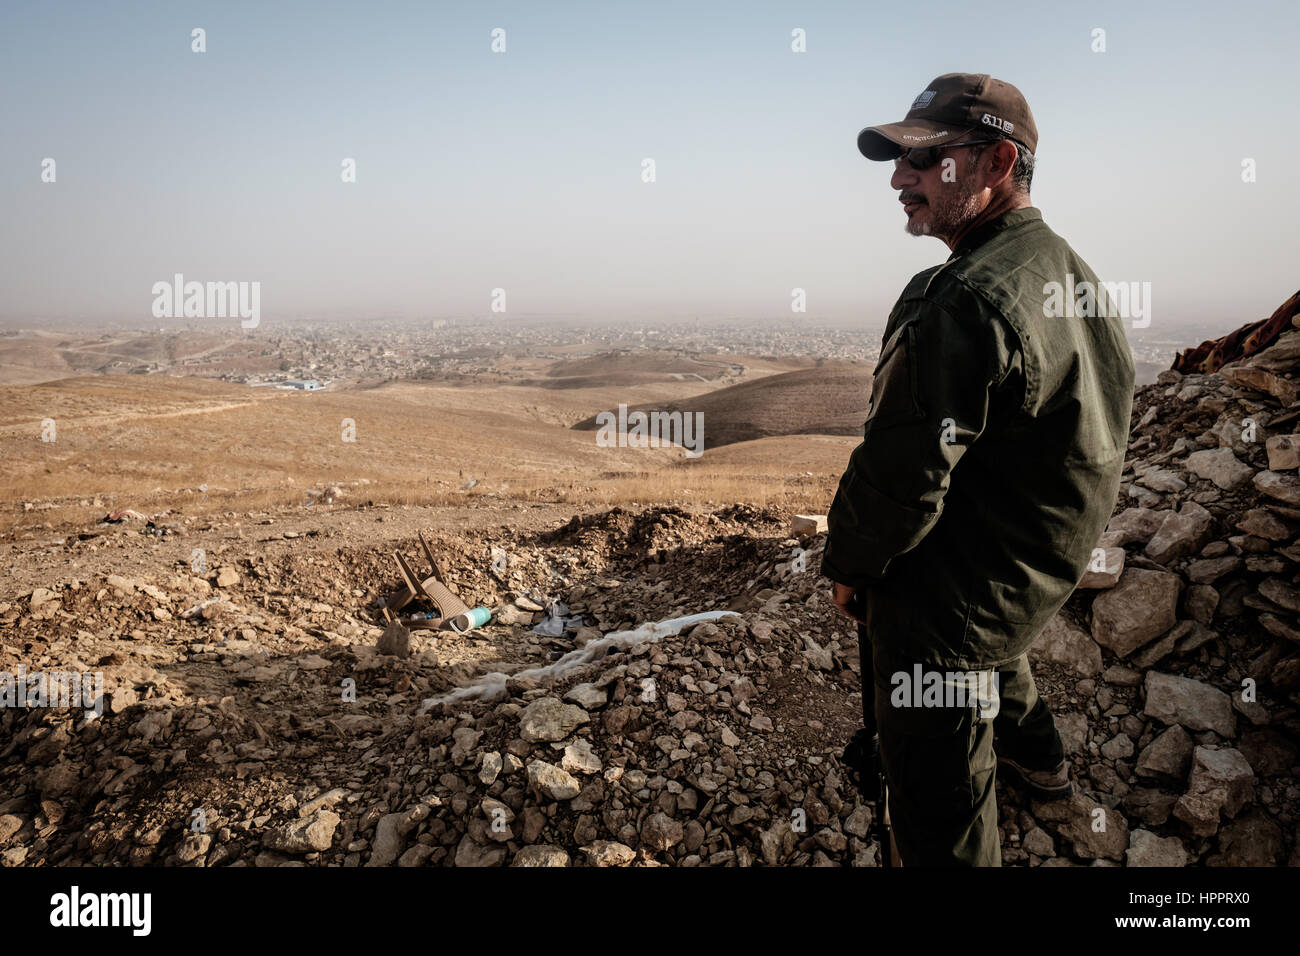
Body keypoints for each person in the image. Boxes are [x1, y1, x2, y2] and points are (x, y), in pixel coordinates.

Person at [821, 73, 1135, 866]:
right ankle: (1044, 766)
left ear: (996, 162)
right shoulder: (1069, 270)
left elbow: (902, 474)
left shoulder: (959, 299)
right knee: (998, 647)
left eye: (924, 159)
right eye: (899, 161)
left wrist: (855, 568)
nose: (899, 180)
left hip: (955, 601)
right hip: (1029, 568)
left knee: (940, 806)